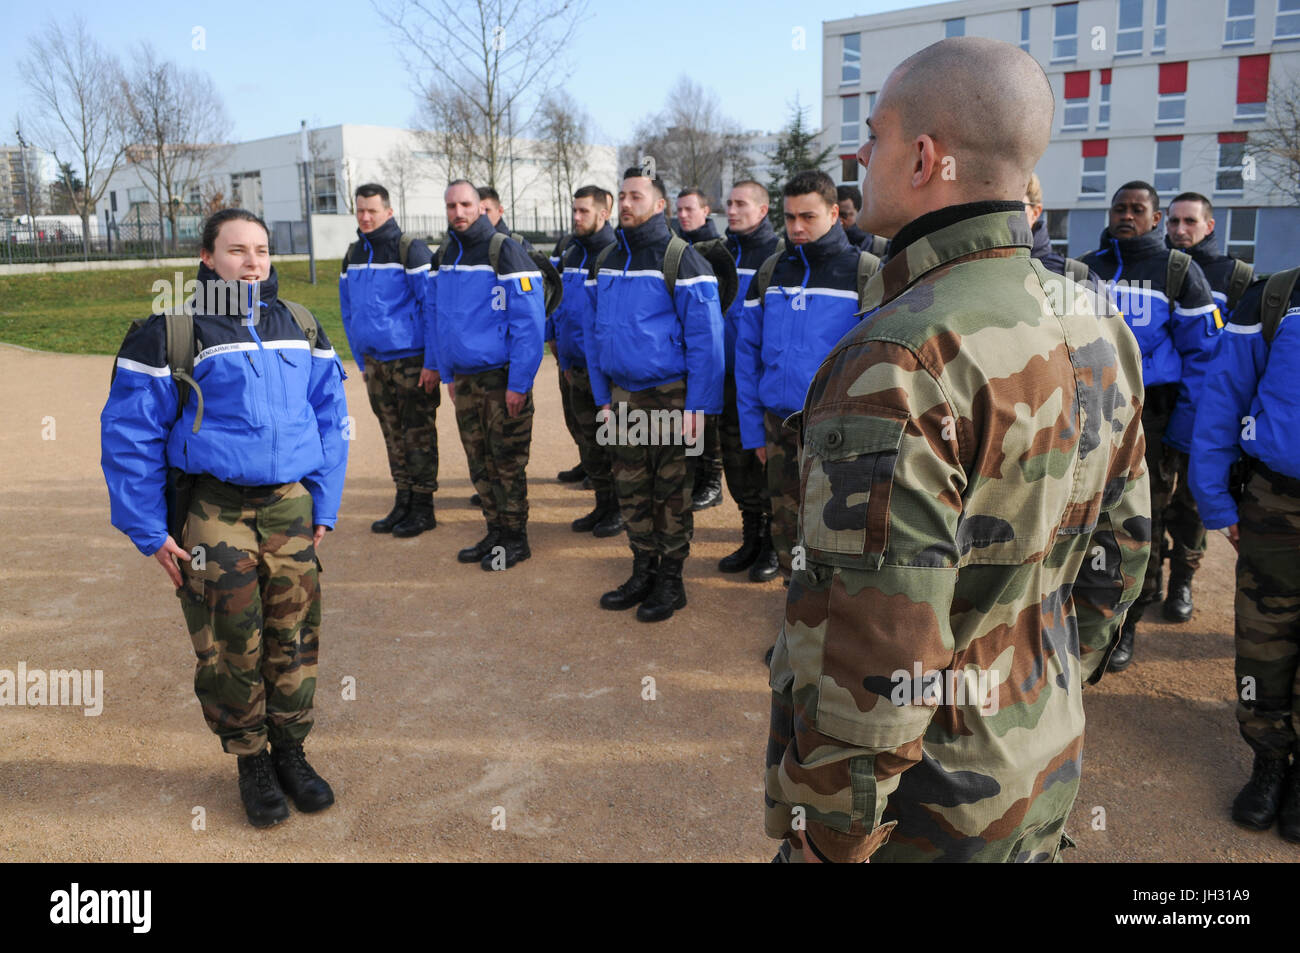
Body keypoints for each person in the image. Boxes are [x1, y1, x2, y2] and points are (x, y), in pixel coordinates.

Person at [764, 36, 1149, 863]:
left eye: (875, 136)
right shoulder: (1097, 319)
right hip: (1039, 757)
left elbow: (876, 653)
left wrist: (827, 841)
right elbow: (1123, 552)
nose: (861, 155)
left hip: (928, 814)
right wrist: (1033, 682)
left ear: (925, 158)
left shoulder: (901, 355)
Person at [101, 208, 350, 828]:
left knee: (293, 633)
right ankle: (251, 760)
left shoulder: (300, 324)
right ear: (208, 258)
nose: (253, 261)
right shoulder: (170, 332)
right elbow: (129, 433)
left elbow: (330, 417)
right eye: (237, 249)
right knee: (230, 641)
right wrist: (147, 528)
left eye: (262, 250)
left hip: (289, 504)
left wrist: (324, 499)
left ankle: (291, 751)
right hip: (216, 509)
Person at [1081, 182, 1221, 671]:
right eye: (1118, 207)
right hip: (1090, 416)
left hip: (1152, 421)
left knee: (1143, 524)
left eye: (1137, 209)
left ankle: (1128, 626)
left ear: (1156, 218)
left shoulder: (1178, 271)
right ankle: (1081, 616)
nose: (1126, 215)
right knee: (1083, 519)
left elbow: (1204, 359)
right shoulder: (1085, 269)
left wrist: (1180, 435)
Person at [1189, 266, 1300, 843]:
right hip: (1276, 505)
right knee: (1264, 641)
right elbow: (1223, 397)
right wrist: (1216, 500)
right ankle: (1269, 762)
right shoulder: (1276, 296)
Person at [585, 168, 724, 621]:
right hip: (623, 398)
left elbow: (707, 341)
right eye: (622, 196)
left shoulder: (681, 259)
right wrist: (602, 396)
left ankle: (671, 581)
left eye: (636, 196)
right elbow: (593, 332)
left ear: (659, 205)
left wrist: (699, 409)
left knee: (671, 492)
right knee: (630, 487)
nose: (626, 204)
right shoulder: (606, 259)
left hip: (671, 397)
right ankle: (642, 569)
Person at [735, 170, 867, 582]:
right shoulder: (772, 271)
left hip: (839, 431)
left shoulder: (865, 272)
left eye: (807, 217)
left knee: (836, 535)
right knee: (787, 532)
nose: (796, 227)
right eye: (790, 217)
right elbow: (747, 354)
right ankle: (796, 624)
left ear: (833, 213)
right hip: (778, 428)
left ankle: (830, 633)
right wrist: (755, 432)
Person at [427, 180, 546, 569]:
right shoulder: (445, 254)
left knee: (506, 463)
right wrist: (446, 373)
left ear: (480, 207)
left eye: (464, 204)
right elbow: (439, 318)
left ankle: (516, 538)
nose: (457, 213)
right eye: (451, 206)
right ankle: (495, 532)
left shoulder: (504, 250)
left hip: (501, 379)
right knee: (479, 462)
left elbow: (529, 323)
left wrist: (519, 384)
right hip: (464, 381)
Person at [1160, 192, 1254, 623]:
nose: (1180, 230)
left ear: (1209, 226)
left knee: (1193, 504)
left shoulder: (1235, 276)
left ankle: (1182, 581)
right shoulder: (1159, 268)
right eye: (1174, 221)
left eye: (1190, 222)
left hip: (1209, 417)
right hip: (1160, 411)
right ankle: (1146, 581)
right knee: (1151, 502)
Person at [338, 183, 439, 538]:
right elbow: (348, 311)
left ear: (389, 211)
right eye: (360, 210)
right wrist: (363, 361)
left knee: (417, 434)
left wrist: (433, 361)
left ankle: (424, 506)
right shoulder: (353, 254)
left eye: (372, 210)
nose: (365, 217)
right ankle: (404, 498)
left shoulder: (409, 249)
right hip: (375, 363)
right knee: (392, 433)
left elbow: (432, 306)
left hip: (412, 359)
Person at [717, 180, 781, 581]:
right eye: (729, 204)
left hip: (763, 376)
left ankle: (774, 543)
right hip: (726, 376)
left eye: (741, 204)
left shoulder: (777, 257)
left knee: (768, 462)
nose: (733, 211)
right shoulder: (719, 254)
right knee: (737, 459)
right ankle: (751, 535)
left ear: (762, 209)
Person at [554, 185, 622, 536]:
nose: (577, 217)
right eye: (575, 210)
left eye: (584, 211)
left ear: (604, 213)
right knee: (589, 442)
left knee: (611, 443)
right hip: (574, 365)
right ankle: (603, 504)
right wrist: (562, 356)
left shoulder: (613, 255)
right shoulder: (571, 250)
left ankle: (619, 510)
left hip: (604, 370)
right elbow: (562, 306)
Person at [675, 187, 725, 510]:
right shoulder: (675, 249)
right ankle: (696, 477)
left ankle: (713, 481)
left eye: (690, 209)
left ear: (705, 210)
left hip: (716, 344)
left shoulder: (719, 251)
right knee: (691, 418)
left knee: (711, 419)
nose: (683, 215)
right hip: (685, 347)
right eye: (679, 210)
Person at [836, 184, 887, 255]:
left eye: (844, 215)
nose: (838, 220)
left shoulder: (879, 246)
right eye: (833, 214)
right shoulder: (822, 245)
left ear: (859, 212)